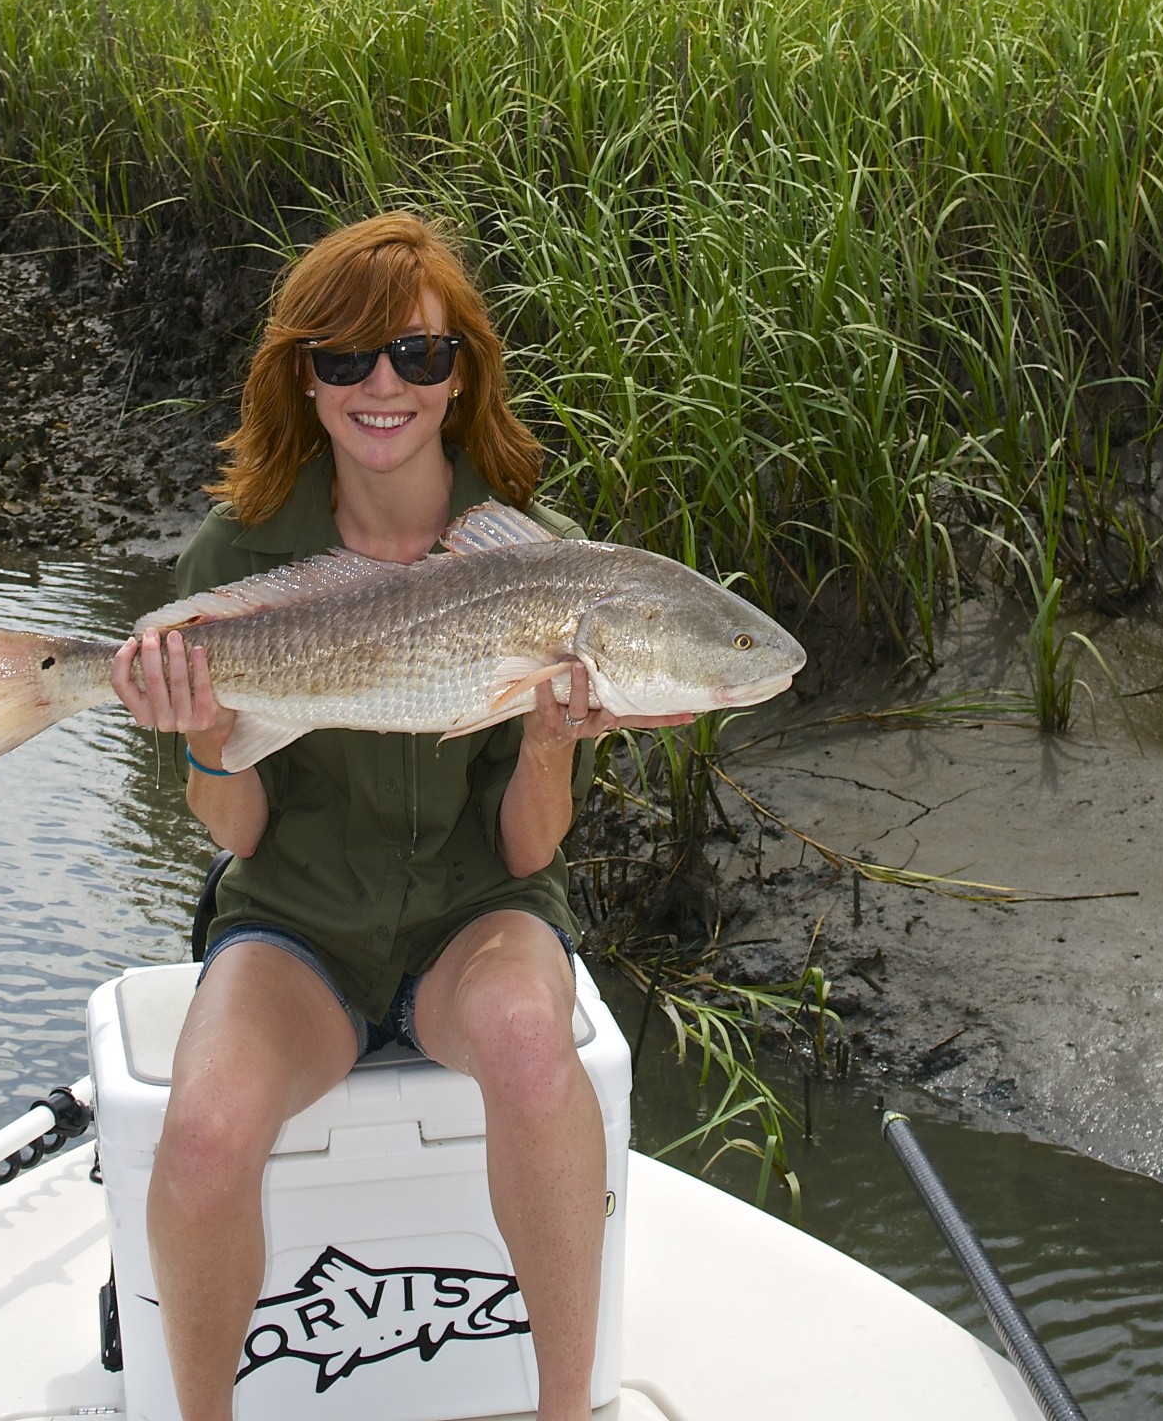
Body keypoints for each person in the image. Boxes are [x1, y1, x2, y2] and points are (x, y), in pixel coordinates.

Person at [110, 212, 691, 1421]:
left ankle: (564, 1411)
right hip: (296, 924)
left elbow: (527, 850)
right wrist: (208, 732)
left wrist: (547, 736)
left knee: (531, 1046)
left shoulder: (544, 564)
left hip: (477, 917)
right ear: (302, 376)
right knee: (203, 1130)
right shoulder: (234, 555)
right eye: (346, 357)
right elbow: (237, 833)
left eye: (418, 356)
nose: (384, 387)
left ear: (460, 373)